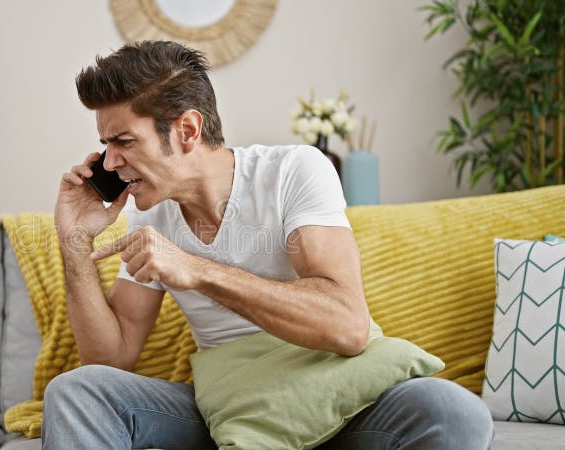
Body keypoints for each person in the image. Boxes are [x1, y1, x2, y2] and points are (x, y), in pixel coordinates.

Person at [48, 40, 493, 450]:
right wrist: (73, 239)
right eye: (105, 145)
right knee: (77, 391)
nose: (109, 162)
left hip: (341, 399)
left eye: (124, 141)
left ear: (187, 130)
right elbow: (110, 357)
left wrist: (198, 269)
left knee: (452, 411)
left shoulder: (293, 172)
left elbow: (348, 325)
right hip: (233, 407)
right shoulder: (150, 211)